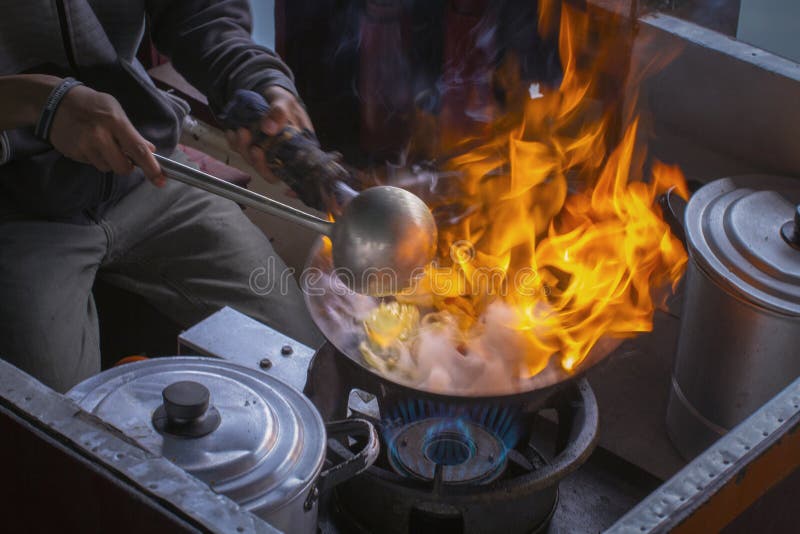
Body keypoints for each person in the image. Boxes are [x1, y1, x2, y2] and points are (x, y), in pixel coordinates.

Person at [0, 1, 322, 392]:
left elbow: (196, 11)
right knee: (55, 432)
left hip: (149, 170)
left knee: (308, 364)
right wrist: (36, 102)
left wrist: (258, 80)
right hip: (17, 209)